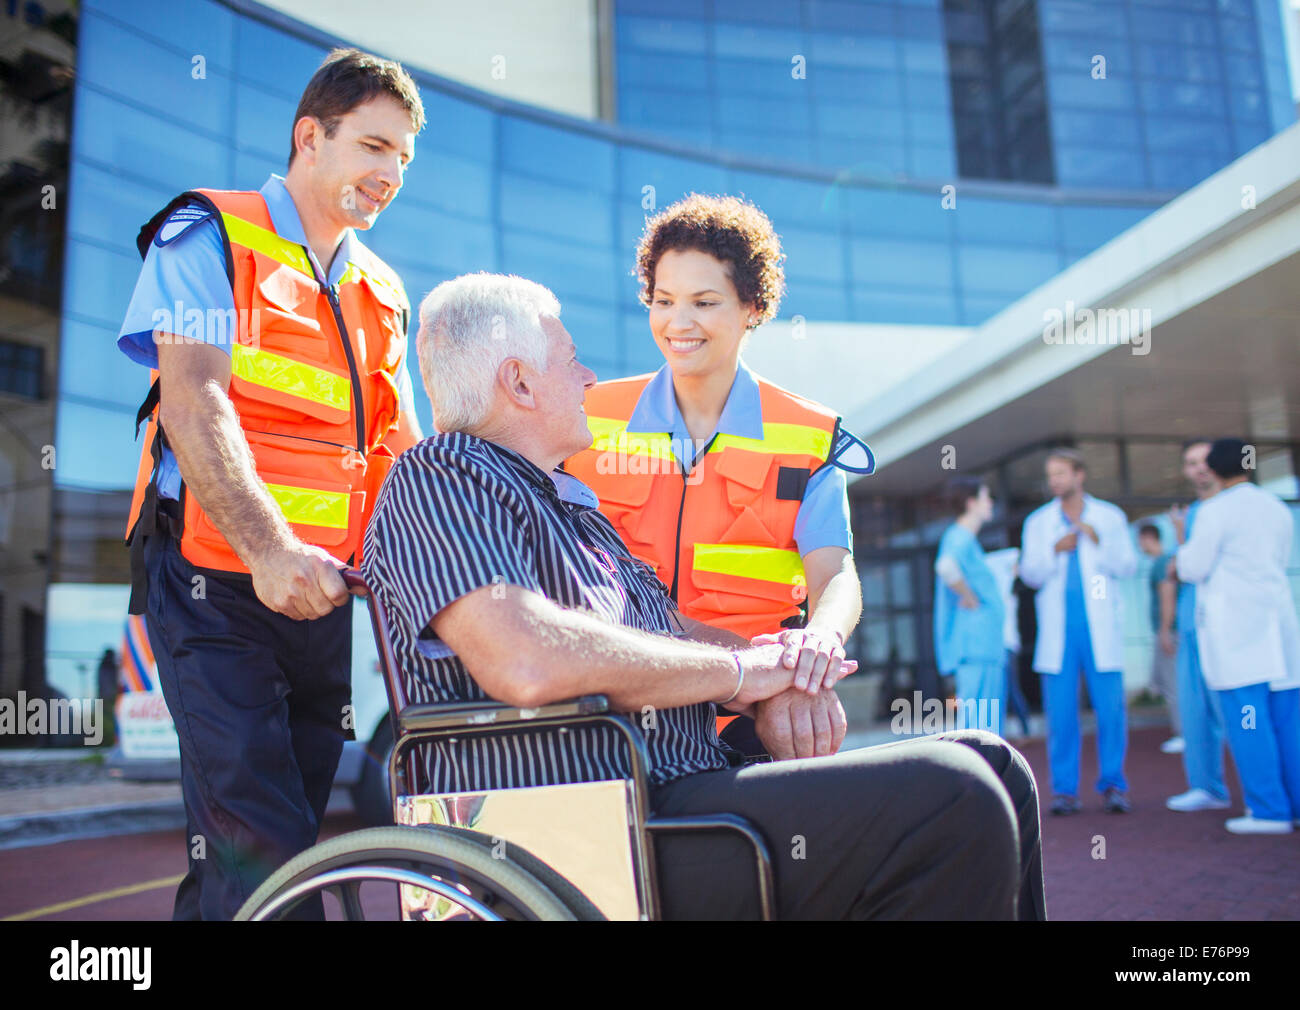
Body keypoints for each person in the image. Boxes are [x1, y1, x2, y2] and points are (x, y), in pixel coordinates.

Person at [361, 272, 1047, 920]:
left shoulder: (572, 506)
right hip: (579, 827)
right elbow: (526, 660)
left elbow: (666, 630)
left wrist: (776, 674)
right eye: (571, 360)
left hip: (670, 793)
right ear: (518, 382)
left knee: (998, 765)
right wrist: (741, 675)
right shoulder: (442, 474)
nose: (589, 378)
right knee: (956, 793)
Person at [117, 49, 426, 919]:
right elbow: (195, 402)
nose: (389, 173)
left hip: (321, 600)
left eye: (402, 158)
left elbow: (400, 446)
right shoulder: (208, 233)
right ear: (309, 136)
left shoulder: (381, 289)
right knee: (273, 854)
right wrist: (269, 547)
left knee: (244, 853)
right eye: (373, 146)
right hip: (217, 586)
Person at [565, 194, 870, 758]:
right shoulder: (585, 417)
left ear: (751, 306)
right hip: (614, 707)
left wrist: (819, 643)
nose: (678, 323)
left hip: (747, 707)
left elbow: (837, 572)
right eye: (662, 300)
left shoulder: (808, 436)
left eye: (704, 302)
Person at [1173, 438, 1300, 835]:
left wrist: (1181, 543)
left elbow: (1192, 567)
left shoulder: (1214, 511)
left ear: (1213, 469)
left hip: (1239, 635)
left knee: (1248, 722)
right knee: (1287, 722)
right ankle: (1293, 806)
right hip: (1278, 627)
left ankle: (1268, 811)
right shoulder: (1276, 508)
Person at [1020, 449, 1138, 815]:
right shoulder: (1038, 522)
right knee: (1061, 714)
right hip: (1060, 634)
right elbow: (1029, 574)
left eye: (1060, 473)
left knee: (1111, 712)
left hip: (1100, 630)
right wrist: (1055, 549)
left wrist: (1097, 539)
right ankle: (1065, 791)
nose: (1054, 480)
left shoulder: (1109, 517)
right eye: (1050, 475)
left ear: (1080, 475)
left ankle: (1114, 785)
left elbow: (1129, 566)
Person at [1165, 439, 1230, 813]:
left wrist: (1181, 545)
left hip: (1223, 622)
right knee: (1194, 707)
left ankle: (1264, 795)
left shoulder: (1225, 509)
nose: (1199, 469)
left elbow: (1191, 563)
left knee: (1235, 710)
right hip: (1191, 620)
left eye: (1204, 461)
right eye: (1190, 463)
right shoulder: (1189, 514)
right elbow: (1178, 569)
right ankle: (1207, 786)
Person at [933, 478, 1005, 736]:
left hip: (983, 647)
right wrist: (968, 595)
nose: (991, 503)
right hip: (976, 647)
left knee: (985, 727)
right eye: (986, 497)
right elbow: (945, 567)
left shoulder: (965, 539)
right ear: (971, 503)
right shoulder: (959, 537)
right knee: (978, 730)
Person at [1137, 523, 1182, 753]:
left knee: (1172, 684)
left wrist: (1165, 630)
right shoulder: (1161, 562)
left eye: (1140, 540)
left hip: (1168, 632)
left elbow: (1167, 594)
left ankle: (1182, 733)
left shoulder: (1162, 563)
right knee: (1164, 683)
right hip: (1167, 631)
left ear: (1147, 538)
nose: (1138, 546)